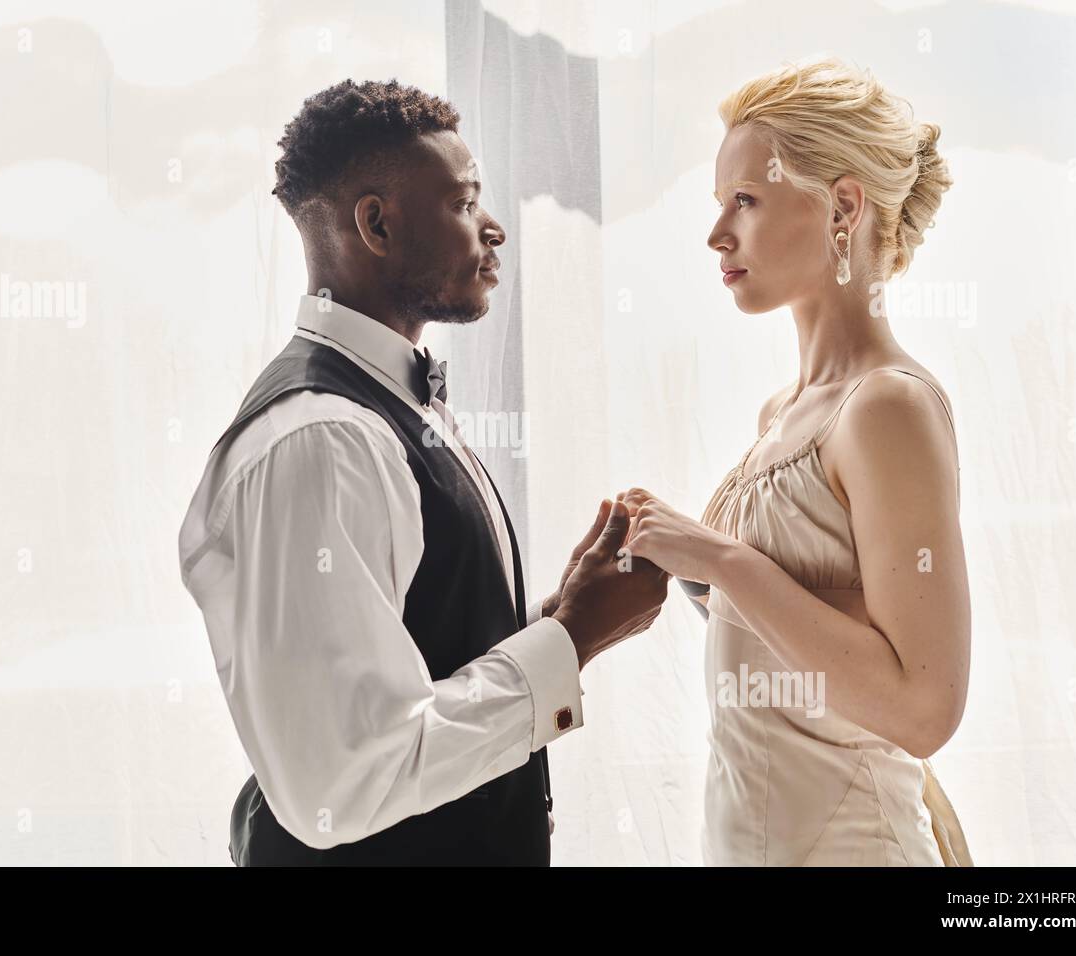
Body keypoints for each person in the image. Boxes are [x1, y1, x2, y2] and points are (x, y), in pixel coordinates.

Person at [177, 78, 669, 865]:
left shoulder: (379, 405)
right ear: (375, 223)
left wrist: (559, 617)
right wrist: (571, 639)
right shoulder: (322, 441)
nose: (494, 227)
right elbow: (341, 782)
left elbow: (412, 666)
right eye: (466, 202)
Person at [620, 57, 973, 866]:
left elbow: (924, 709)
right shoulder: (779, 417)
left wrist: (721, 560)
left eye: (745, 200)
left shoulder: (888, 407)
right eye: (720, 204)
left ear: (844, 206)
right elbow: (809, 652)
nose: (717, 234)